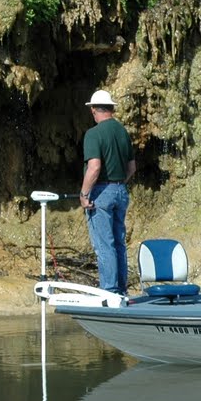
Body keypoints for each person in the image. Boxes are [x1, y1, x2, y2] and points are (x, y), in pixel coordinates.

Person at [80, 90, 136, 296]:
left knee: (104, 245)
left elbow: (94, 167)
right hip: (121, 190)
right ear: (111, 108)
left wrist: (84, 195)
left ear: (94, 110)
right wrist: (118, 185)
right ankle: (121, 290)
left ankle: (110, 292)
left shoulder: (93, 134)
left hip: (101, 192)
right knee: (119, 243)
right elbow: (132, 168)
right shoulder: (122, 132)